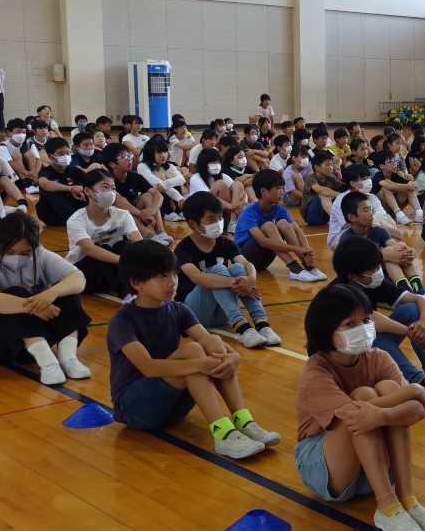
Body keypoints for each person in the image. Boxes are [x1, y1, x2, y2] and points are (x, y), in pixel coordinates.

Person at [295, 285, 425, 531]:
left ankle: (407, 499)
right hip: (327, 472)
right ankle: (386, 506)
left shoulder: (379, 358)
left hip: (372, 468)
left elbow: (418, 411)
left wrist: (386, 414)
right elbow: (360, 415)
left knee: (382, 392)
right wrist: (415, 390)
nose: (362, 328)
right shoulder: (315, 372)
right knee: (363, 397)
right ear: (326, 331)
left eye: (365, 320)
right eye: (349, 324)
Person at [106, 241, 279, 458]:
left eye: (174, 274)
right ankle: (222, 434)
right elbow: (148, 367)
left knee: (214, 342)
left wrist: (232, 357)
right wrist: (201, 364)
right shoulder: (123, 320)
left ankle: (243, 420)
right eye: (162, 276)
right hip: (135, 409)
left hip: (174, 408)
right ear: (136, 282)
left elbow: (210, 341)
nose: (173, 282)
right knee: (194, 351)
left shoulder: (178, 309)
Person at [329, 236, 425, 409]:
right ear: (354, 276)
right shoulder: (340, 292)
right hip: (340, 358)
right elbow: (371, 321)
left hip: (362, 343)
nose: (378, 271)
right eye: (373, 269)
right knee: (371, 335)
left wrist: (424, 321)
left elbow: (419, 299)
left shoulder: (372, 283)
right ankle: (422, 383)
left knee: (411, 310)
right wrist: (410, 331)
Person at [0, 213, 92, 385]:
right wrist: (34, 306)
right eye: (10, 252)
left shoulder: (40, 255)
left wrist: (51, 294)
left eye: (26, 253)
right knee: (16, 292)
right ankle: (48, 363)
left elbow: (78, 278)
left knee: (66, 292)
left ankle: (69, 359)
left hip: (30, 341)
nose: (17, 257)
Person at [175, 192, 282, 349]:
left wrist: (250, 279)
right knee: (217, 268)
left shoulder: (225, 243)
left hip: (222, 312)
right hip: (194, 314)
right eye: (211, 219)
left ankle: (262, 324)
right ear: (193, 224)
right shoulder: (183, 249)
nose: (219, 222)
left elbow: (246, 264)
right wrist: (237, 283)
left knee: (238, 267)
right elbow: (198, 278)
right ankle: (242, 328)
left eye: (220, 217)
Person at [235, 169, 324, 282]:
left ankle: (307, 266)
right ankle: (294, 269)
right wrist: (297, 248)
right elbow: (263, 241)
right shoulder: (248, 212)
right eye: (278, 188)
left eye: (282, 188)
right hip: (245, 260)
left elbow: (297, 230)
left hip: (264, 260)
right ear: (263, 191)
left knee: (283, 223)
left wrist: (306, 252)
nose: (282, 192)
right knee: (269, 225)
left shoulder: (279, 209)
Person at [66, 169, 143, 294]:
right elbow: (90, 250)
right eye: (105, 187)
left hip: (112, 270)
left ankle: (131, 287)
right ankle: (128, 293)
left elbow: (138, 241)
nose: (110, 192)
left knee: (124, 246)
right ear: (87, 191)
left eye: (113, 188)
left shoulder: (122, 214)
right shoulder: (76, 220)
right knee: (104, 248)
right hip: (83, 273)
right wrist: (124, 262)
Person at [33, 138, 84, 227]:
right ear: (51, 157)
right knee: (53, 194)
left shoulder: (74, 170)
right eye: (61, 154)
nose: (66, 156)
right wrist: (70, 188)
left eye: (67, 153)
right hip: (52, 214)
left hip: (73, 208)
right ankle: (77, 222)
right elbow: (44, 183)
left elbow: (90, 181)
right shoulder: (46, 171)